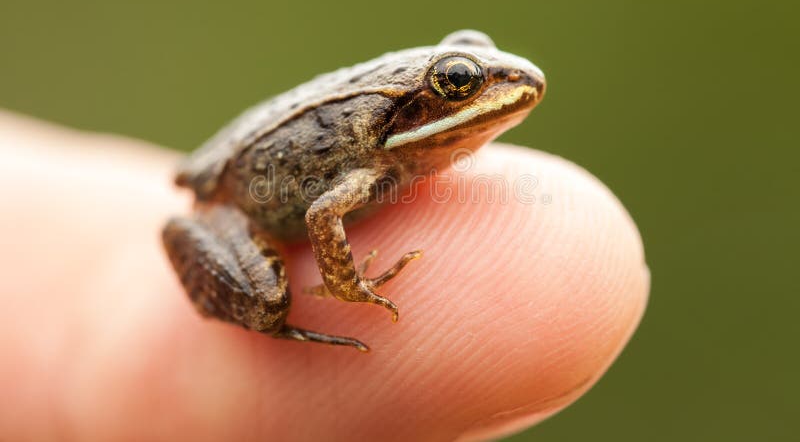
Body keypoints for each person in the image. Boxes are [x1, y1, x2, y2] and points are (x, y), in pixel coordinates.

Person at [0, 111, 649, 441]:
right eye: (457, 82)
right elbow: (322, 207)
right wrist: (346, 285)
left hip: (236, 158)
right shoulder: (371, 164)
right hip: (235, 208)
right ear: (416, 108)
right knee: (266, 300)